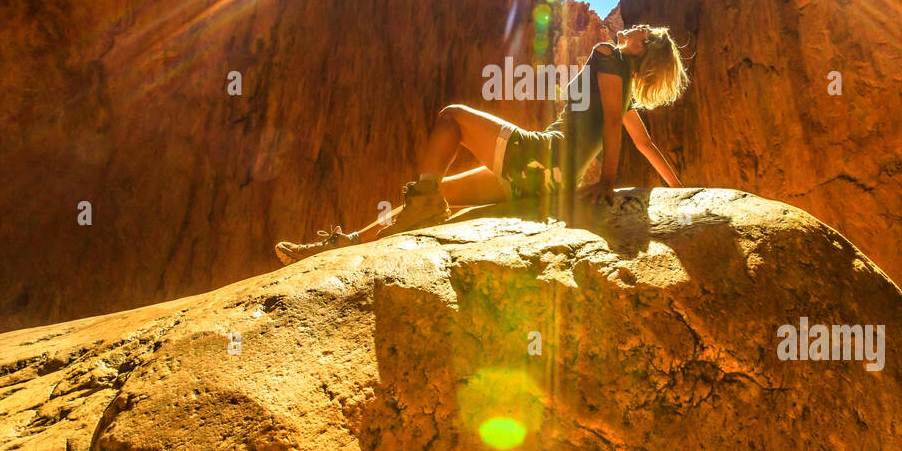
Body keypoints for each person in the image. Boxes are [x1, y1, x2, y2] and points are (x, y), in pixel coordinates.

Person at [275, 24, 688, 264]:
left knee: (451, 116)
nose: (636, 28)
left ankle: (415, 207)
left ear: (642, 46)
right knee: (439, 194)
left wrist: (608, 183)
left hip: (543, 157)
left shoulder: (607, 54)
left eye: (644, 31)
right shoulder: (626, 91)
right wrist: (680, 191)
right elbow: (646, 145)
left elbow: (615, 125)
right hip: (550, 180)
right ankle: (347, 243)